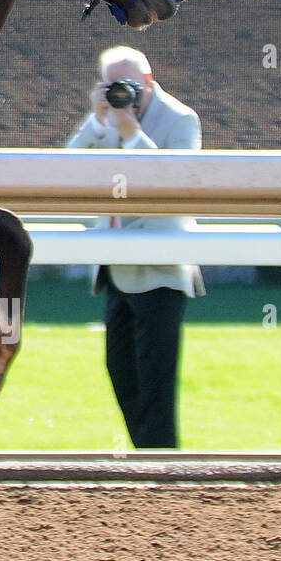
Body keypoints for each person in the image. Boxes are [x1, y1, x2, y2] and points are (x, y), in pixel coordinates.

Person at [66, 46, 205, 449]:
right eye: (110, 85)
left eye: (127, 84)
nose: (120, 92)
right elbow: (63, 169)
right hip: (114, 269)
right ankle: (149, 461)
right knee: (121, 375)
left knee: (155, 387)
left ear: (148, 80)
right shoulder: (104, 119)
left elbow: (173, 183)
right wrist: (97, 120)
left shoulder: (180, 119)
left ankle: (162, 473)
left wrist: (132, 135)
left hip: (161, 272)